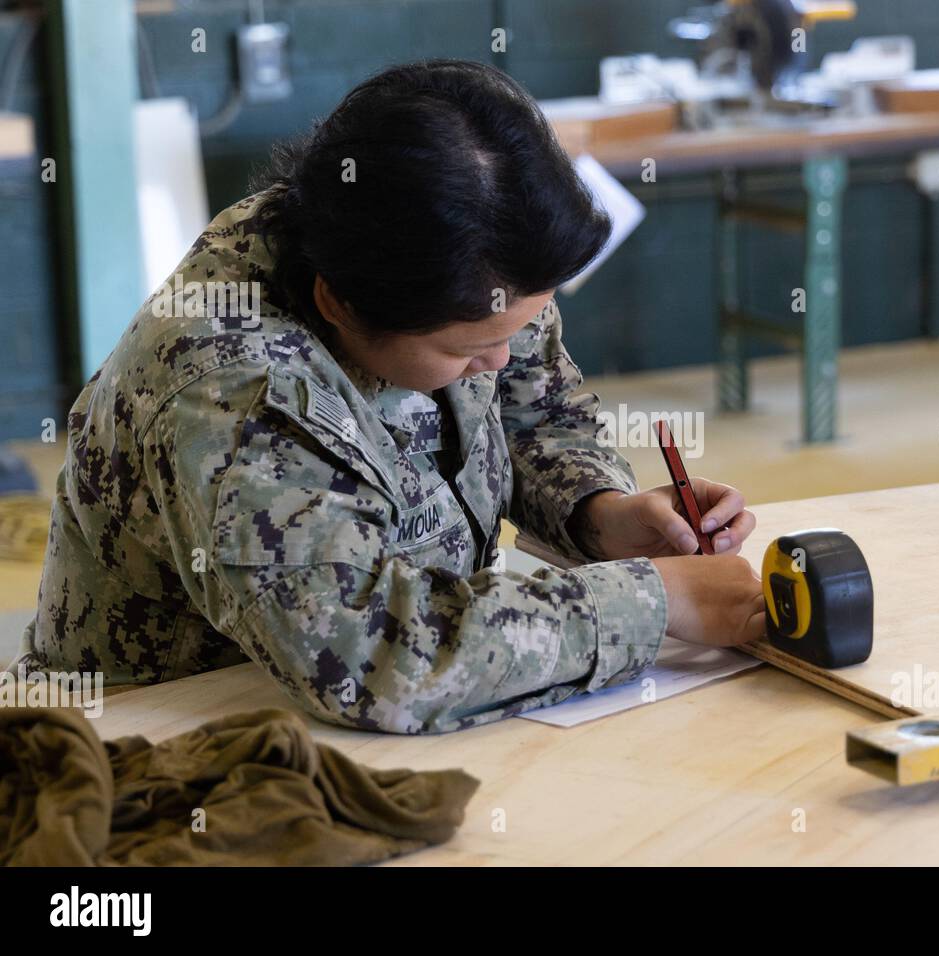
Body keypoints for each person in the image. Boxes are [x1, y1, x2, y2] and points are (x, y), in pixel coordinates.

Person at [12, 60, 766, 733]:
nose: (501, 359)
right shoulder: (232, 391)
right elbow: (373, 658)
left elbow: (536, 417)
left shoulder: (468, 258)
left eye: (520, 325)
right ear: (338, 304)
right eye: (467, 349)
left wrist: (601, 514)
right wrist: (656, 604)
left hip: (330, 709)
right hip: (156, 740)